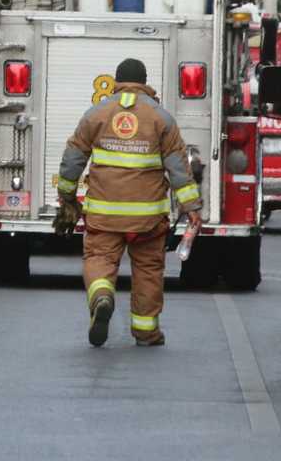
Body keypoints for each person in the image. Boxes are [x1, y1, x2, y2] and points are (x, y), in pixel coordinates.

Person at [53, 58, 202, 348]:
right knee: (147, 270)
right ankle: (146, 333)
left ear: (117, 80)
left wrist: (67, 196)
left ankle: (102, 296)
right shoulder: (162, 118)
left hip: (104, 215)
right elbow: (178, 169)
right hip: (148, 219)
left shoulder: (97, 113)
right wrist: (192, 208)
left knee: (99, 259)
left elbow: (73, 158)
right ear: (145, 81)